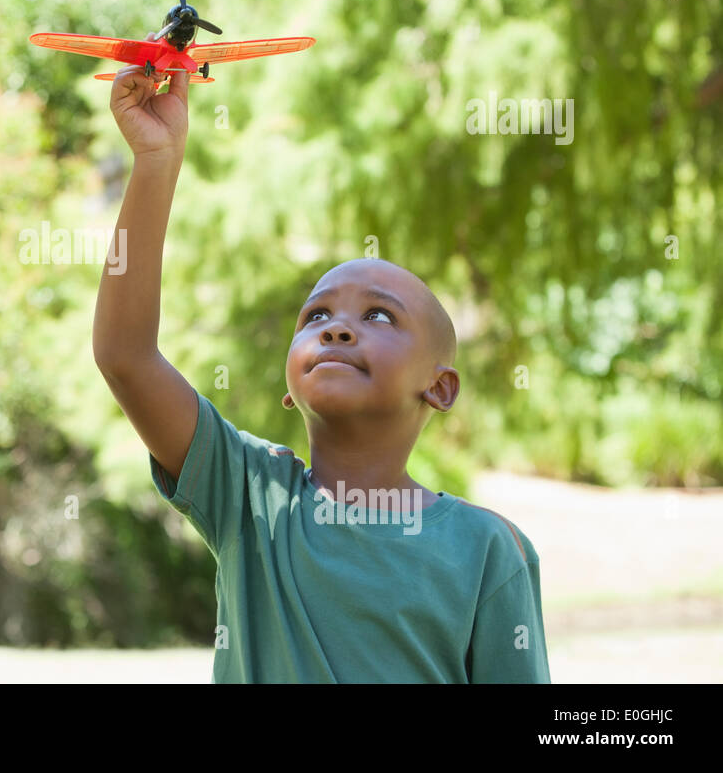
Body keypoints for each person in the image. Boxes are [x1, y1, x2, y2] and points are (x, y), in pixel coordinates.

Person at [91, 43, 550, 682]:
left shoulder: (487, 551)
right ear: (291, 389)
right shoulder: (251, 498)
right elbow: (125, 355)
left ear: (440, 388)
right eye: (316, 318)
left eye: (379, 316)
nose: (336, 329)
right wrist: (156, 160)